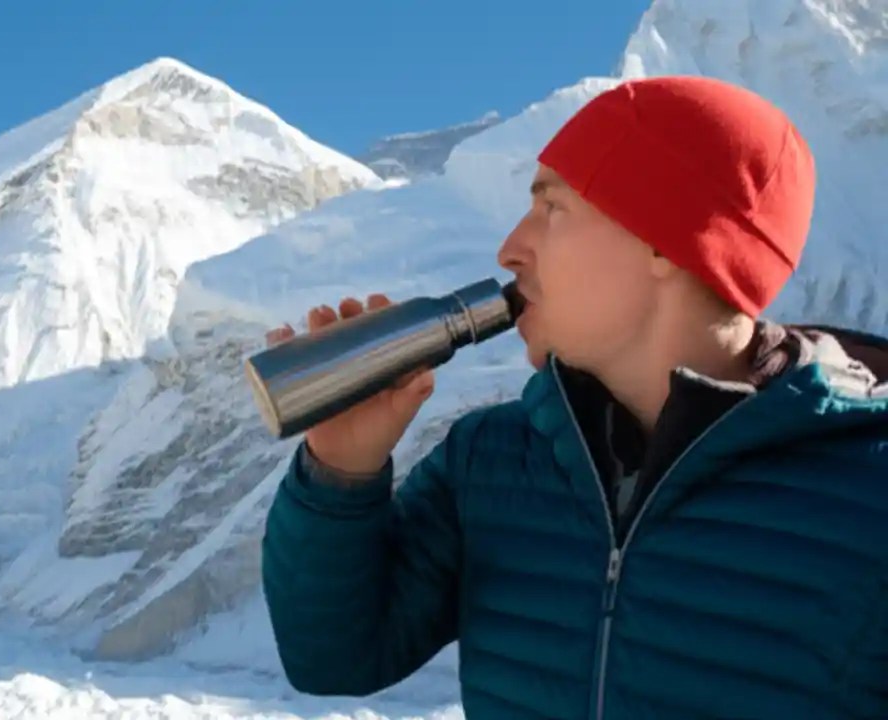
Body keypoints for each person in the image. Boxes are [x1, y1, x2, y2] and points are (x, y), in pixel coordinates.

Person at [259, 74, 888, 719]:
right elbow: (332, 657)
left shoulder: (868, 484)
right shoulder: (491, 461)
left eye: (551, 209)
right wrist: (338, 471)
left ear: (664, 241)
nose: (511, 250)